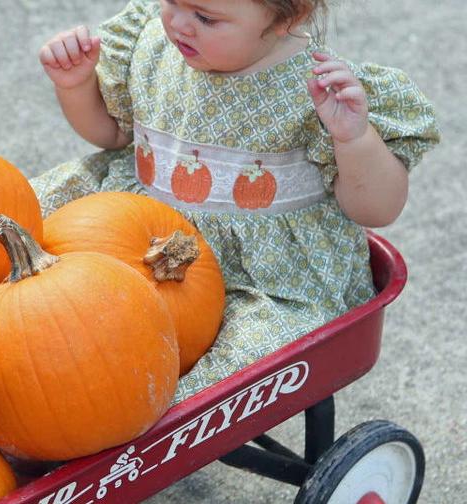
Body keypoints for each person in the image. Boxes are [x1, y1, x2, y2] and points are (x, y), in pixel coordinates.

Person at [31, 0, 439, 402]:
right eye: (172, 1)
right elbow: (113, 135)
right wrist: (77, 85)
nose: (178, 23)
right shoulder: (149, 40)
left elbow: (377, 210)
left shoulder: (318, 90)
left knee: (244, 357)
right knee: (29, 223)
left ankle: (148, 418)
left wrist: (353, 137)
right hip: (136, 236)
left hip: (260, 284)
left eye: (206, 18)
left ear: (288, 17)